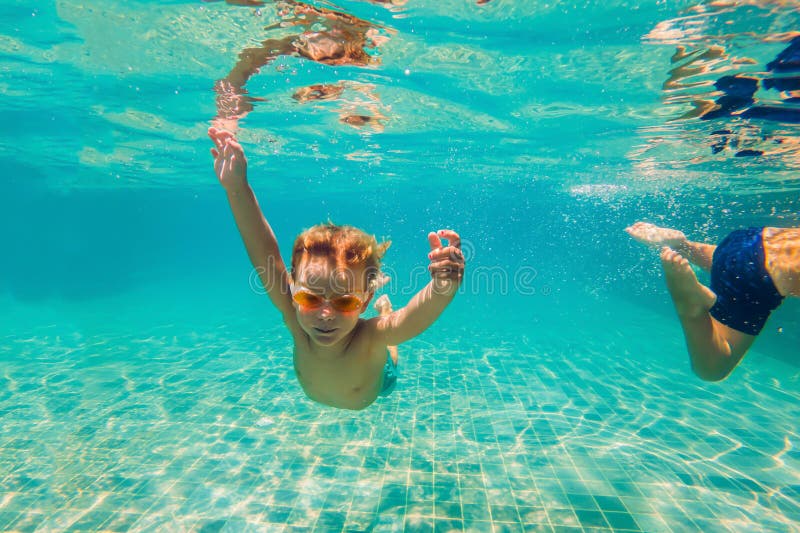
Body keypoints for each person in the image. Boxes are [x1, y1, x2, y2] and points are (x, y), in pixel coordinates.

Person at [208, 126, 465, 409]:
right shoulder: (294, 316)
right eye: (310, 297)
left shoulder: (370, 336)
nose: (326, 314)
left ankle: (383, 308)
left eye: (344, 302)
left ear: (363, 302)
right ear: (293, 290)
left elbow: (413, 319)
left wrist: (443, 287)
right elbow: (264, 253)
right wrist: (237, 188)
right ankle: (362, 291)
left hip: (381, 383)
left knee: (390, 350)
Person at [625, 222, 799, 381]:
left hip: (747, 240)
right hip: (757, 275)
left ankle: (681, 246)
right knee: (712, 369)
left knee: (738, 265)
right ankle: (690, 303)